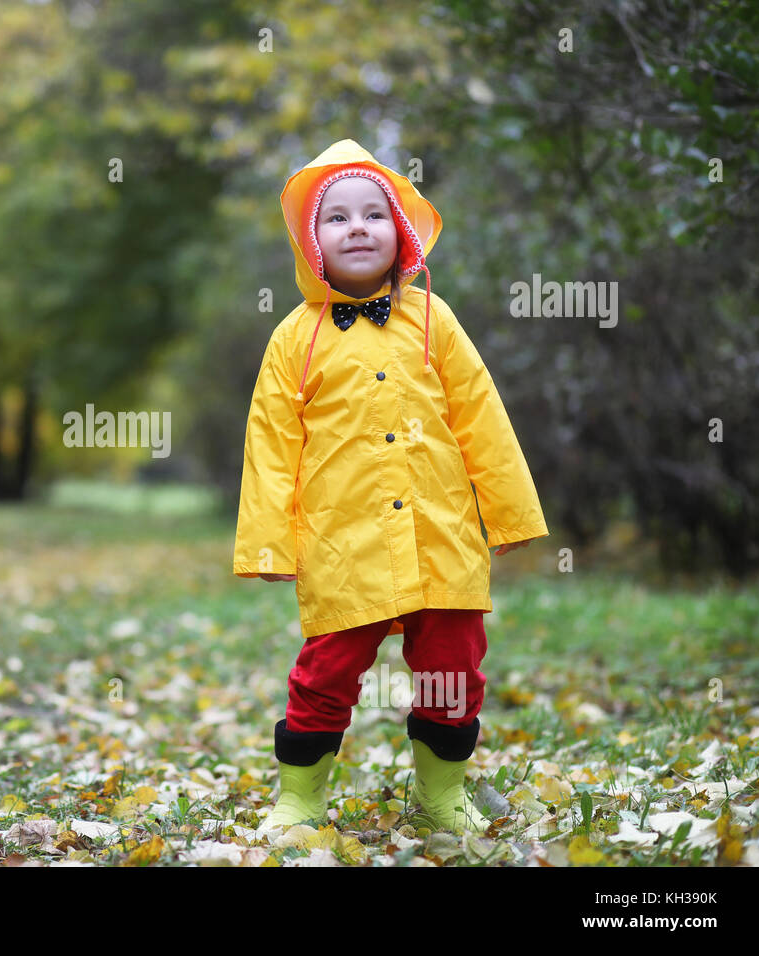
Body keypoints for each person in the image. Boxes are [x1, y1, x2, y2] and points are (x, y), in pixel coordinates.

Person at [233, 139, 549, 834]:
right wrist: (267, 546)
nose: (356, 227)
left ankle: (441, 795)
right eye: (335, 217)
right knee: (325, 672)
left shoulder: (436, 320)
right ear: (310, 241)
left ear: (400, 233)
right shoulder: (295, 339)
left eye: (373, 214)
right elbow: (271, 446)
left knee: (453, 668)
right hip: (343, 543)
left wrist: (510, 517)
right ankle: (299, 799)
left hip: (441, 539)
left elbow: (481, 419)